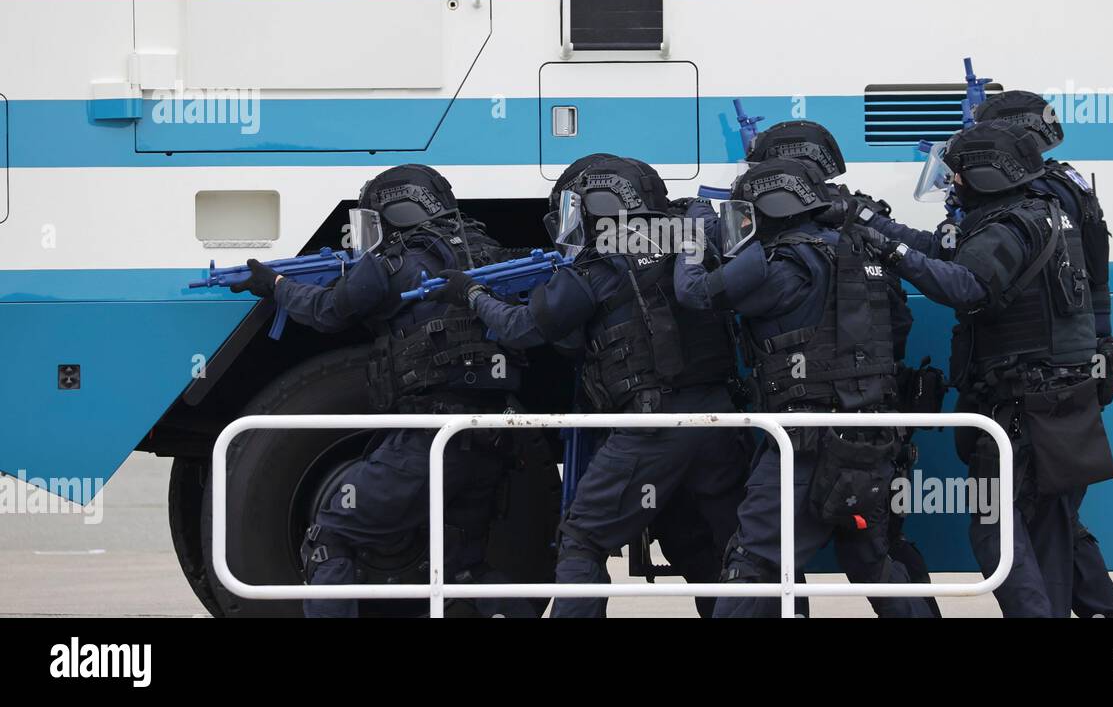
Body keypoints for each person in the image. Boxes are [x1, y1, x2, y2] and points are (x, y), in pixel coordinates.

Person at [432, 156, 749, 617]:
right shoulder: (693, 242)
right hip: (721, 422)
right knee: (716, 545)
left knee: (582, 539)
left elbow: (523, 328)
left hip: (653, 427)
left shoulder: (602, 263)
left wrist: (471, 294)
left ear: (600, 206)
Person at [232, 164, 539, 618]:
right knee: (463, 568)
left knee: (331, 533)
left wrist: (276, 286)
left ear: (395, 211)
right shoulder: (488, 254)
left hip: (426, 439)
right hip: (489, 439)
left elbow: (328, 310)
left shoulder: (392, 263)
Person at [860, 121, 1113, 617]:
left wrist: (888, 251)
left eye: (955, 175)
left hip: (1024, 408)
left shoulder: (1006, 226)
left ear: (984, 175)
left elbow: (964, 285)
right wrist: (874, 222)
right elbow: (944, 251)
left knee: (994, 528)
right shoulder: (1038, 213)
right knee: (1051, 530)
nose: (950, 184)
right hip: (1055, 403)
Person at [675, 157, 936, 618]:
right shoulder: (862, 254)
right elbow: (899, 325)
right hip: (870, 437)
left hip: (808, 444)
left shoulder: (782, 266)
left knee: (752, 563)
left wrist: (694, 234)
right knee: (870, 561)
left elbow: (697, 294)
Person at [746, 120, 943, 614]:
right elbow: (898, 321)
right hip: (870, 417)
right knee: (872, 555)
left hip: (812, 424)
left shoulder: (788, 244)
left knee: (761, 560)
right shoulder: (863, 225)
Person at [973, 90, 1113, 618]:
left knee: (1032, 516)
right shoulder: (1071, 186)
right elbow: (1096, 277)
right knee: (1058, 512)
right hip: (1078, 364)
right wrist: (1102, 343)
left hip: (1040, 371)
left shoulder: (1035, 197)